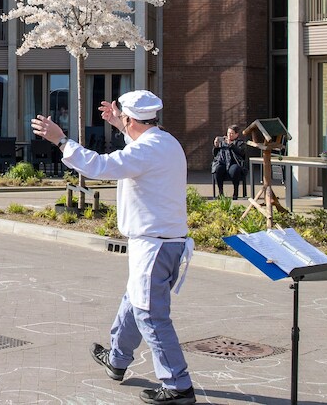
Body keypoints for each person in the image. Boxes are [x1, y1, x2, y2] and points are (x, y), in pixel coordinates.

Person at [31, 91, 196, 405]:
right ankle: (117, 360)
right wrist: (120, 124)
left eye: (123, 118)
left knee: (149, 314)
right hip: (164, 244)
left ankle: (178, 385)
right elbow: (136, 147)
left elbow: (100, 166)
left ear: (132, 119)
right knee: (134, 302)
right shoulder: (164, 142)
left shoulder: (146, 150)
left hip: (154, 246)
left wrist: (61, 140)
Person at [211, 124, 247, 199]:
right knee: (218, 169)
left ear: (236, 134)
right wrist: (216, 146)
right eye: (228, 133)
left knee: (235, 170)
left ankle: (235, 192)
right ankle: (221, 193)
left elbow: (241, 153)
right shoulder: (222, 142)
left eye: (231, 133)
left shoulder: (240, 143)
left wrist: (231, 145)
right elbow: (215, 154)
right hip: (223, 163)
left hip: (234, 163)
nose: (229, 135)